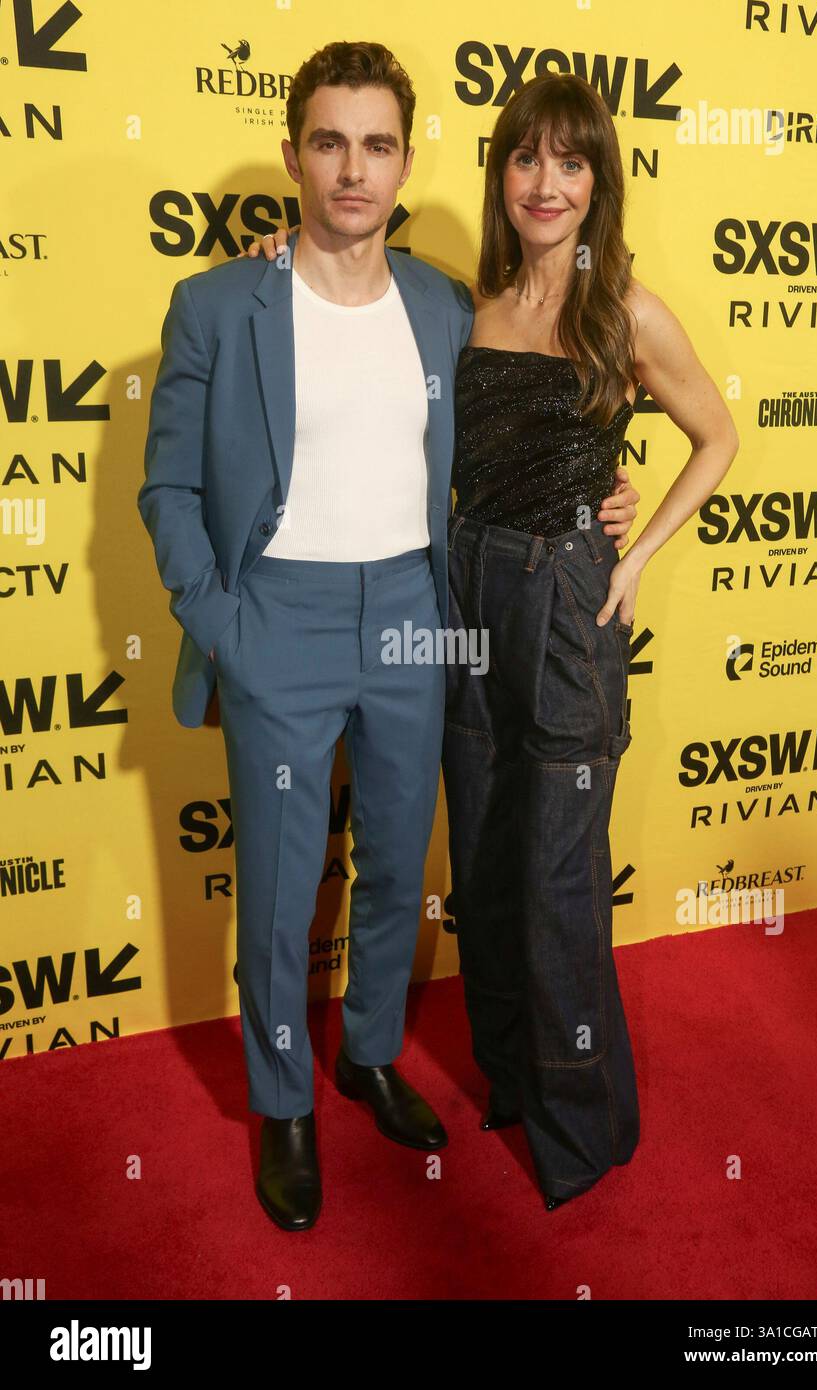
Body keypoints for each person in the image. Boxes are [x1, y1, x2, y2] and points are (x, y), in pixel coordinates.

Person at [249, 68, 738, 1210]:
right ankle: (512, 1081)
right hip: (459, 588)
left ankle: (581, 1132)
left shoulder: (624, 309)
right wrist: (285, 258)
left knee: (557, 877)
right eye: (526, 158)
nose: (545, 182)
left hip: (564, 603)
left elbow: (713, 436)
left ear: (597, 179)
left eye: (570, 161)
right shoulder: (458, 305)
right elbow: (343, 305)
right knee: (480, 856)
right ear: (498, 173)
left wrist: (629, 544)